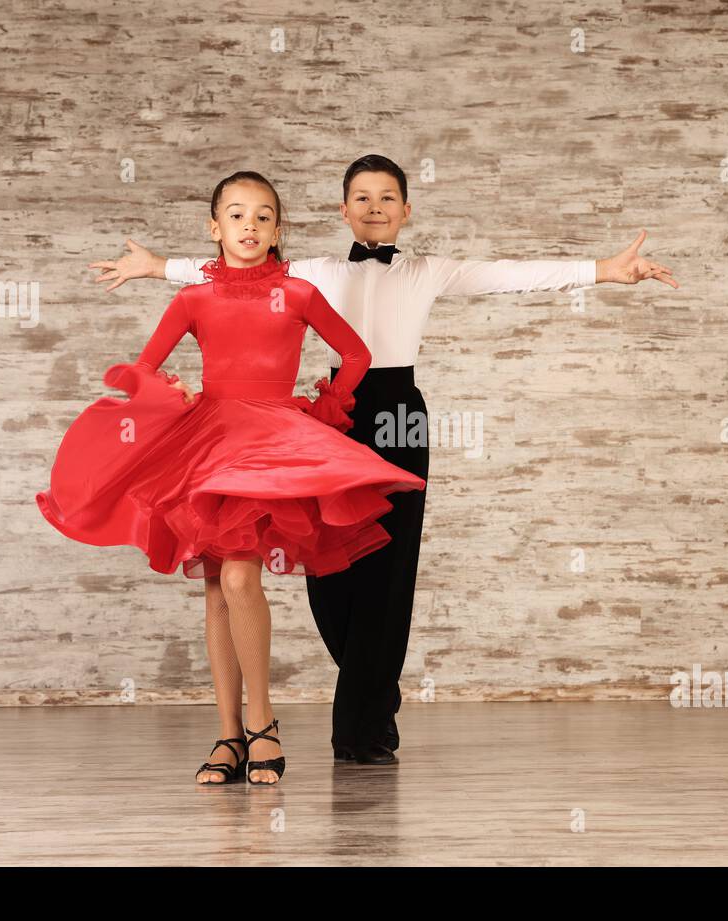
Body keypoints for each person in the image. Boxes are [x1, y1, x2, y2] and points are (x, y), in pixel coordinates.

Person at [90, 154, 679, 765]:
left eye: (388, 197)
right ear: (343, 211)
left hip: (397, 411)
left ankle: (362, 726)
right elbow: (232, 269)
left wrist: (603, 271)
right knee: (327, 568)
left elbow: (508, 274)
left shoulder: (428, 270)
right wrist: (158, 267)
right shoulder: (310, 272)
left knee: (390, 565)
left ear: (406, 209)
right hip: (327, 413)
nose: (375, 208)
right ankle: (366, 694)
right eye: (362, 198)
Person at [37, 170, 425, 786]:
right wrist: (169, 389)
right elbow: (143, 367)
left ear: (278, 231)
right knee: (217, 584)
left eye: (265, 216)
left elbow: (356, 354)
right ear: (214, 228)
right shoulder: (194, 298)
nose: (251, 226)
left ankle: (263, 727)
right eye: (237, 215)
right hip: (210, 439)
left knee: (241, 574)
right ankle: (228, 737)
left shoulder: (297, 293)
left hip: (270, 437)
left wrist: (330, 405)